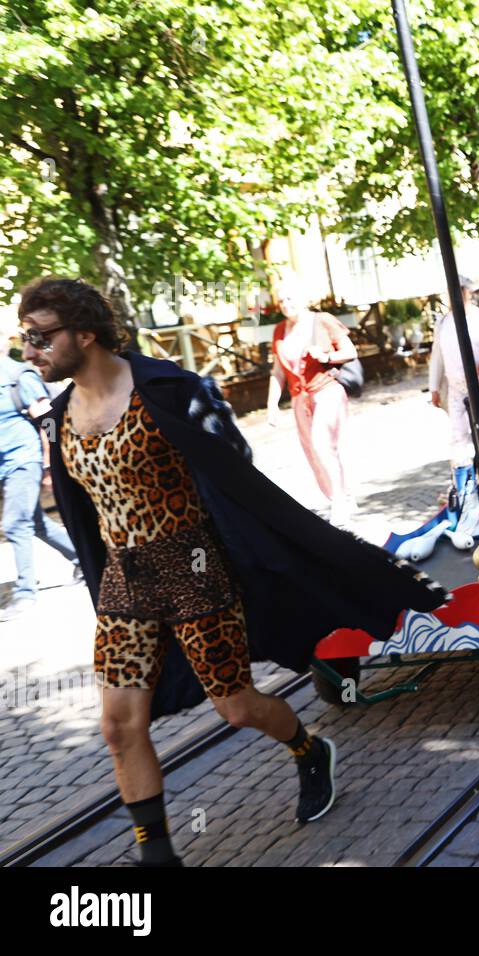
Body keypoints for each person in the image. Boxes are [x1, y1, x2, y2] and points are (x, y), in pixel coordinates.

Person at [20, 277, 444, 866]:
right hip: (125, 582)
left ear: (84, 333)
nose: (29, 351)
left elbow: (233, 468)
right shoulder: (60, 415)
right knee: (119, 727)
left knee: (237, 707)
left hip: (193, 567)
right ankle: (158, 856)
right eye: (25, 339)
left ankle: (308, 748)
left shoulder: (167, 390)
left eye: (40, 337)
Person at [266, 282, 358, 527]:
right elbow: (278, 372)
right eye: (282, 301)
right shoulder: (279, 331)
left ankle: (340, 501)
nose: (286, 304)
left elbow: (350, 351)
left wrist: (326, 357)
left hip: (326, 390)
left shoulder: (322, 321)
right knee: (313, 453)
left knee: (322, 444)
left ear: (302, 298)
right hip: (299, 398)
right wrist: (272, 404)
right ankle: (340, 495)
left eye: (290, 298)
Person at [1, 353, 81, 621]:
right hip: (5, 464)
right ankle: (84, 559)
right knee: (34, 523)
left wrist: (50, 462)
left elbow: (47, 418)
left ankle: (25, 593)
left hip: (24, 458)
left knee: (15, 523)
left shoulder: (16, 375)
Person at [428, 275, 479, 465]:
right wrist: (434, 387)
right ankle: (467, 480)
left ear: (468, 292)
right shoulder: (443, 323)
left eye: (460, 291)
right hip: (456, 388)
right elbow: (437, 356)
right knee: (459, 436)